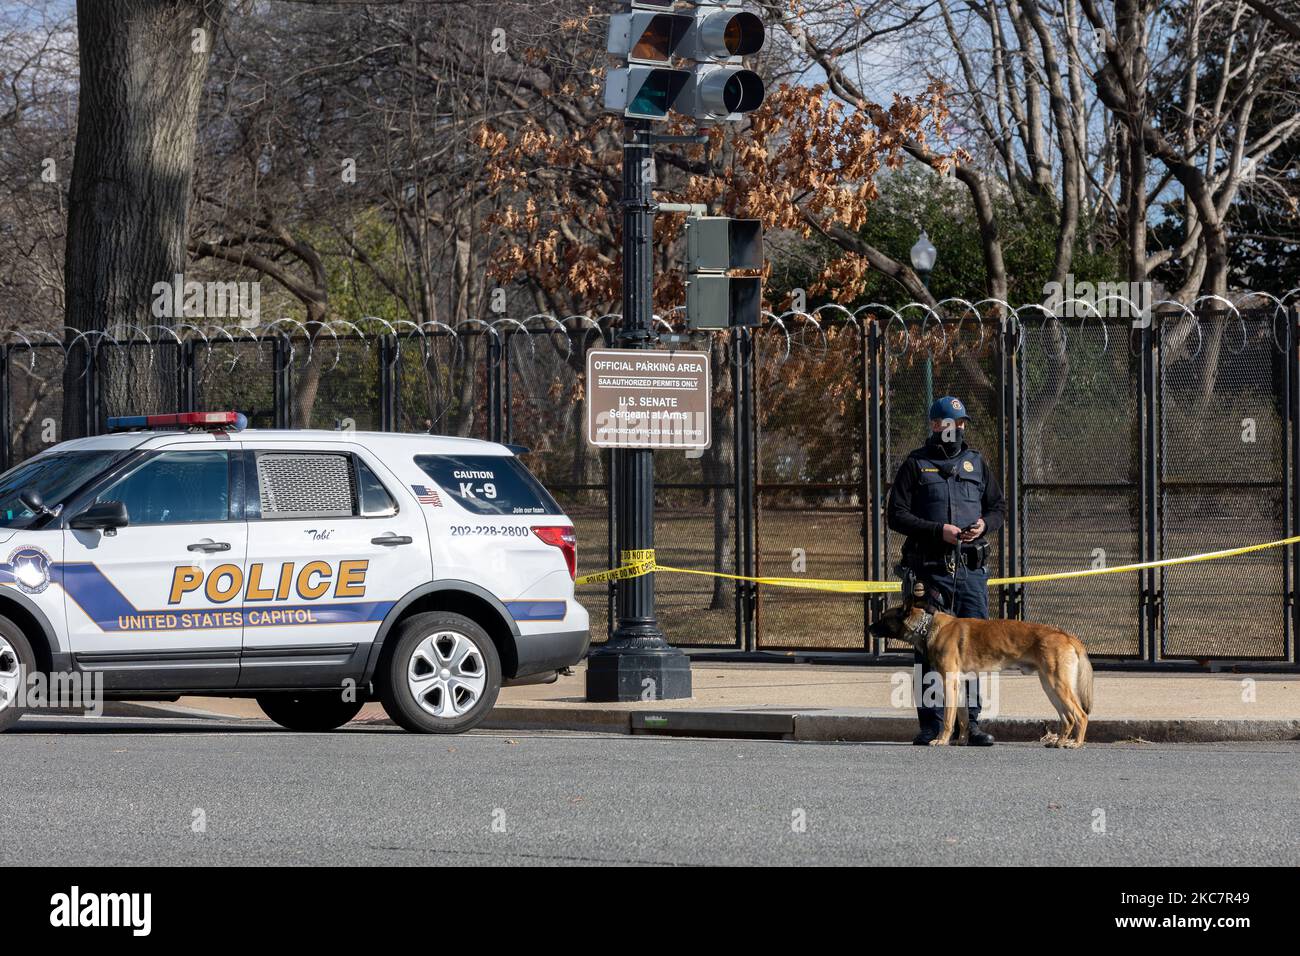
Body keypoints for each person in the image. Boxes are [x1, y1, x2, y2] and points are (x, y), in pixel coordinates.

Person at [886, 395, 1005, 746]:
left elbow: (998, 506)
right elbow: (896, 515)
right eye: (952, 422)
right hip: (930, 572)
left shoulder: (976, 463)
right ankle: (931, 724)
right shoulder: (915, 464)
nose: (959, 428)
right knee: (927, 648)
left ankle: (974, 723)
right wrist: (939, 531)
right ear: (937, 425)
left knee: (977, 648)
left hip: (970, 572)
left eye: (963, 422)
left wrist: (984, 525)